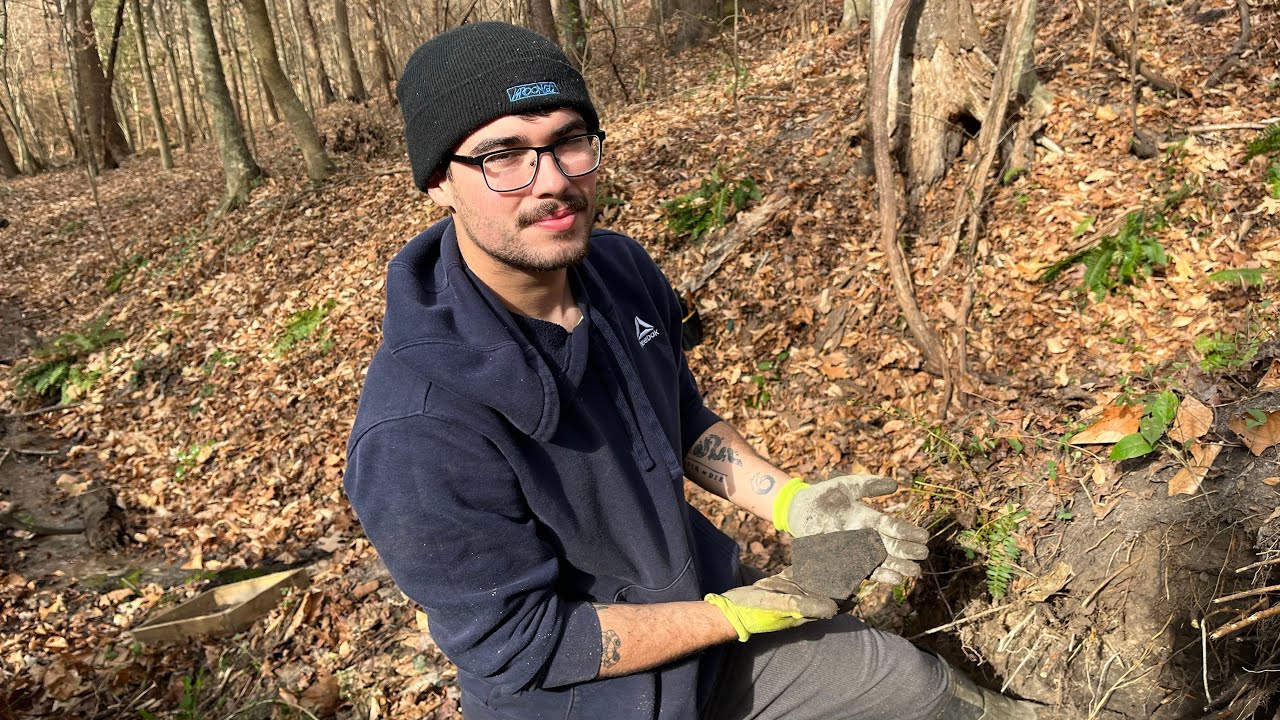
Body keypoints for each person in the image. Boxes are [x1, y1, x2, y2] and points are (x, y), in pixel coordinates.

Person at [343, 21, 1037, 720]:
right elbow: (524, 642)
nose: (552, 181)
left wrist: (793, 504)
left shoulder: (616, 271)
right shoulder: (416, 430)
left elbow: (675, 419)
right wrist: (737, 616)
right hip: (589, 701)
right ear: (439, 181)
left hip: (706, 634)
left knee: (915, 691)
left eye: (569, 142)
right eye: (504, 155)